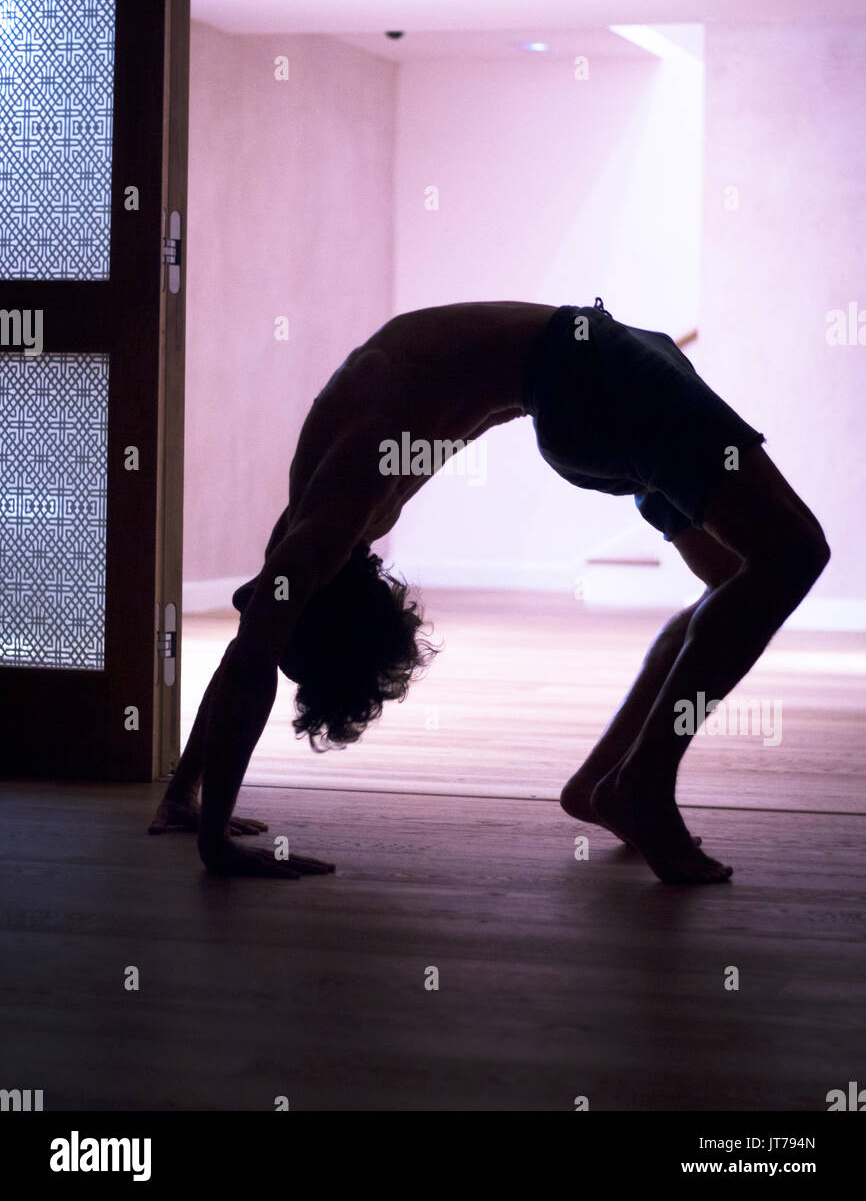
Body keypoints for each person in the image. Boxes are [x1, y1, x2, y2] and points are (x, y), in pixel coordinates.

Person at [148, 300, 829, 884]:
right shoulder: (326, 517)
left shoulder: (321, 525)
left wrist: (193, 808)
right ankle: (643, 783)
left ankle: (607, 784)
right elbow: (254, 647)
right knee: (790, 554)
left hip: (589, 381)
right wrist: (205, 830)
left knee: (736, 580)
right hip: (595, 376)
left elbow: (252, 649)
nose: (263, 608)